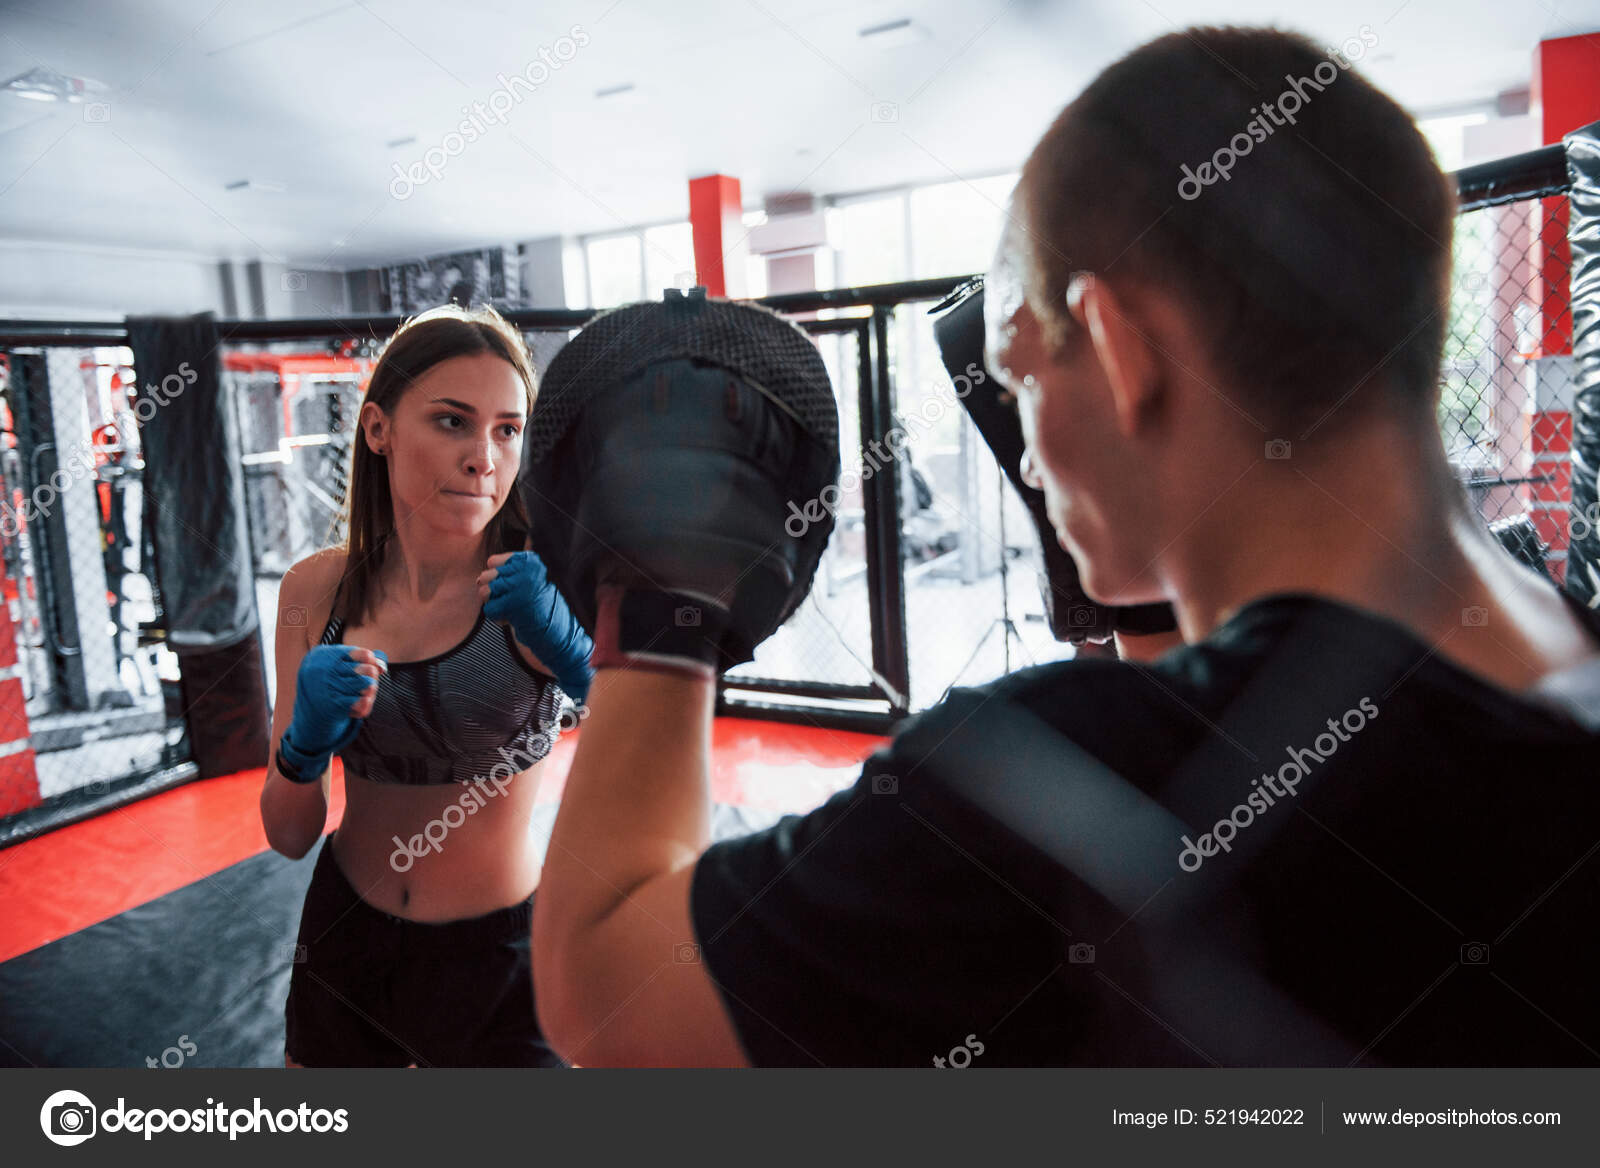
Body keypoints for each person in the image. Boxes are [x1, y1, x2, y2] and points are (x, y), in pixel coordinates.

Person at [522, 26, 1600, 1067]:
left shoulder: (1048, 786)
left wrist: (668, 600)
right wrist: (1160, 574)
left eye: (1024, 375)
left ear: (1123, 350)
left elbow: (604, 985)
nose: (1029, 458)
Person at [261, 304, 594, 1068]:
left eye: (508, 429)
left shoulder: (546, 580)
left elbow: (647, 766)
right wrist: (303, 751)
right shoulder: (316, 592)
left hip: (501, 954)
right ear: (378, 428)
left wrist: (581, 660)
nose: (484, 456)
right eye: (453, 422)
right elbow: (287, 835)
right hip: (346, 936)